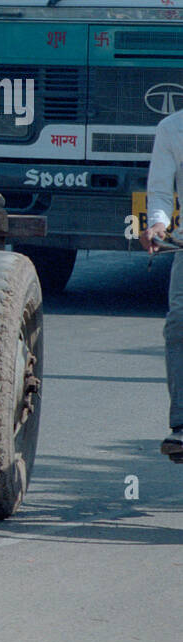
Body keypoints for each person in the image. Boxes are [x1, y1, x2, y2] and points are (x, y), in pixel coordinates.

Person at [140, 106, 183, 462]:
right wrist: (157, 224)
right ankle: (181, 426)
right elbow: (159, 191)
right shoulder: (171, 128)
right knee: (178, 324)